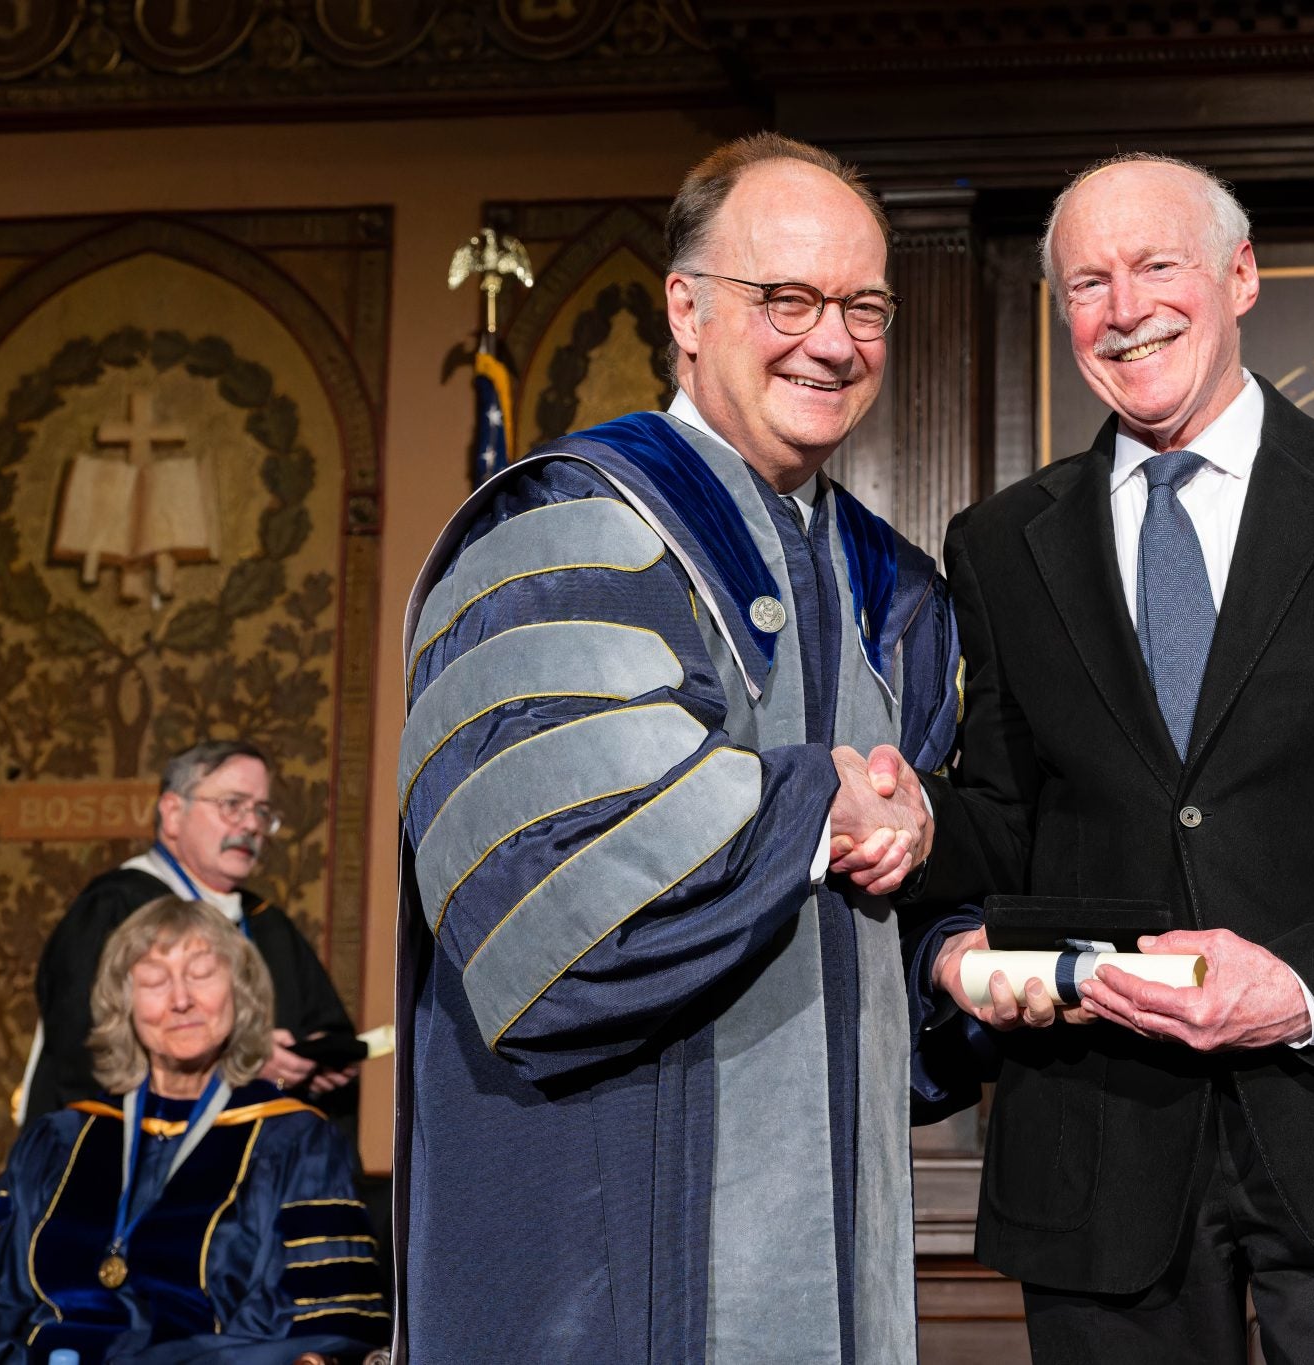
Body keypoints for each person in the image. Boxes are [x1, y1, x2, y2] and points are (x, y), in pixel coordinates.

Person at [901, 153, 1314, 1362]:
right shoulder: (998, 543)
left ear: (1239, 274)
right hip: (1094, 1149)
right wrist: (919, 828)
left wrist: (1298, 986)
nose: (1124, 307)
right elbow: (1004, 813)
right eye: (1086, 282)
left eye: (1155, 265)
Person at [394, 131, 953, 1364]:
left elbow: (904, 965)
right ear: (685, 308)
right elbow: (552, 913)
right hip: (602, 1251)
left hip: (839, 1252)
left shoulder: (898, 594)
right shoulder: (565, 531)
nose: (831, 339)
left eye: (863, 305)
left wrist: (950, 919)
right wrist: (821, 804)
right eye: (786, 298)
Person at [0, 897, 388, 1363]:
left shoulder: (295, 1143)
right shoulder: (58, 1140)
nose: (181, 1000)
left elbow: (318, 1328)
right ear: (124, 1004)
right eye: (155, 980)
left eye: (201, 973)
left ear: (240, 993)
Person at [25, 740, 361, 1127]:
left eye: (261, 810)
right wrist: (243, 1061)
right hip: (130, 1150)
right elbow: (84, 1047)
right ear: (171, 813)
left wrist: (310, 1069)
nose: (251, 825)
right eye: (232, 805)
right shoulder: (117, 908)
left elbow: (322, 1032)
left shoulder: (269, 926)